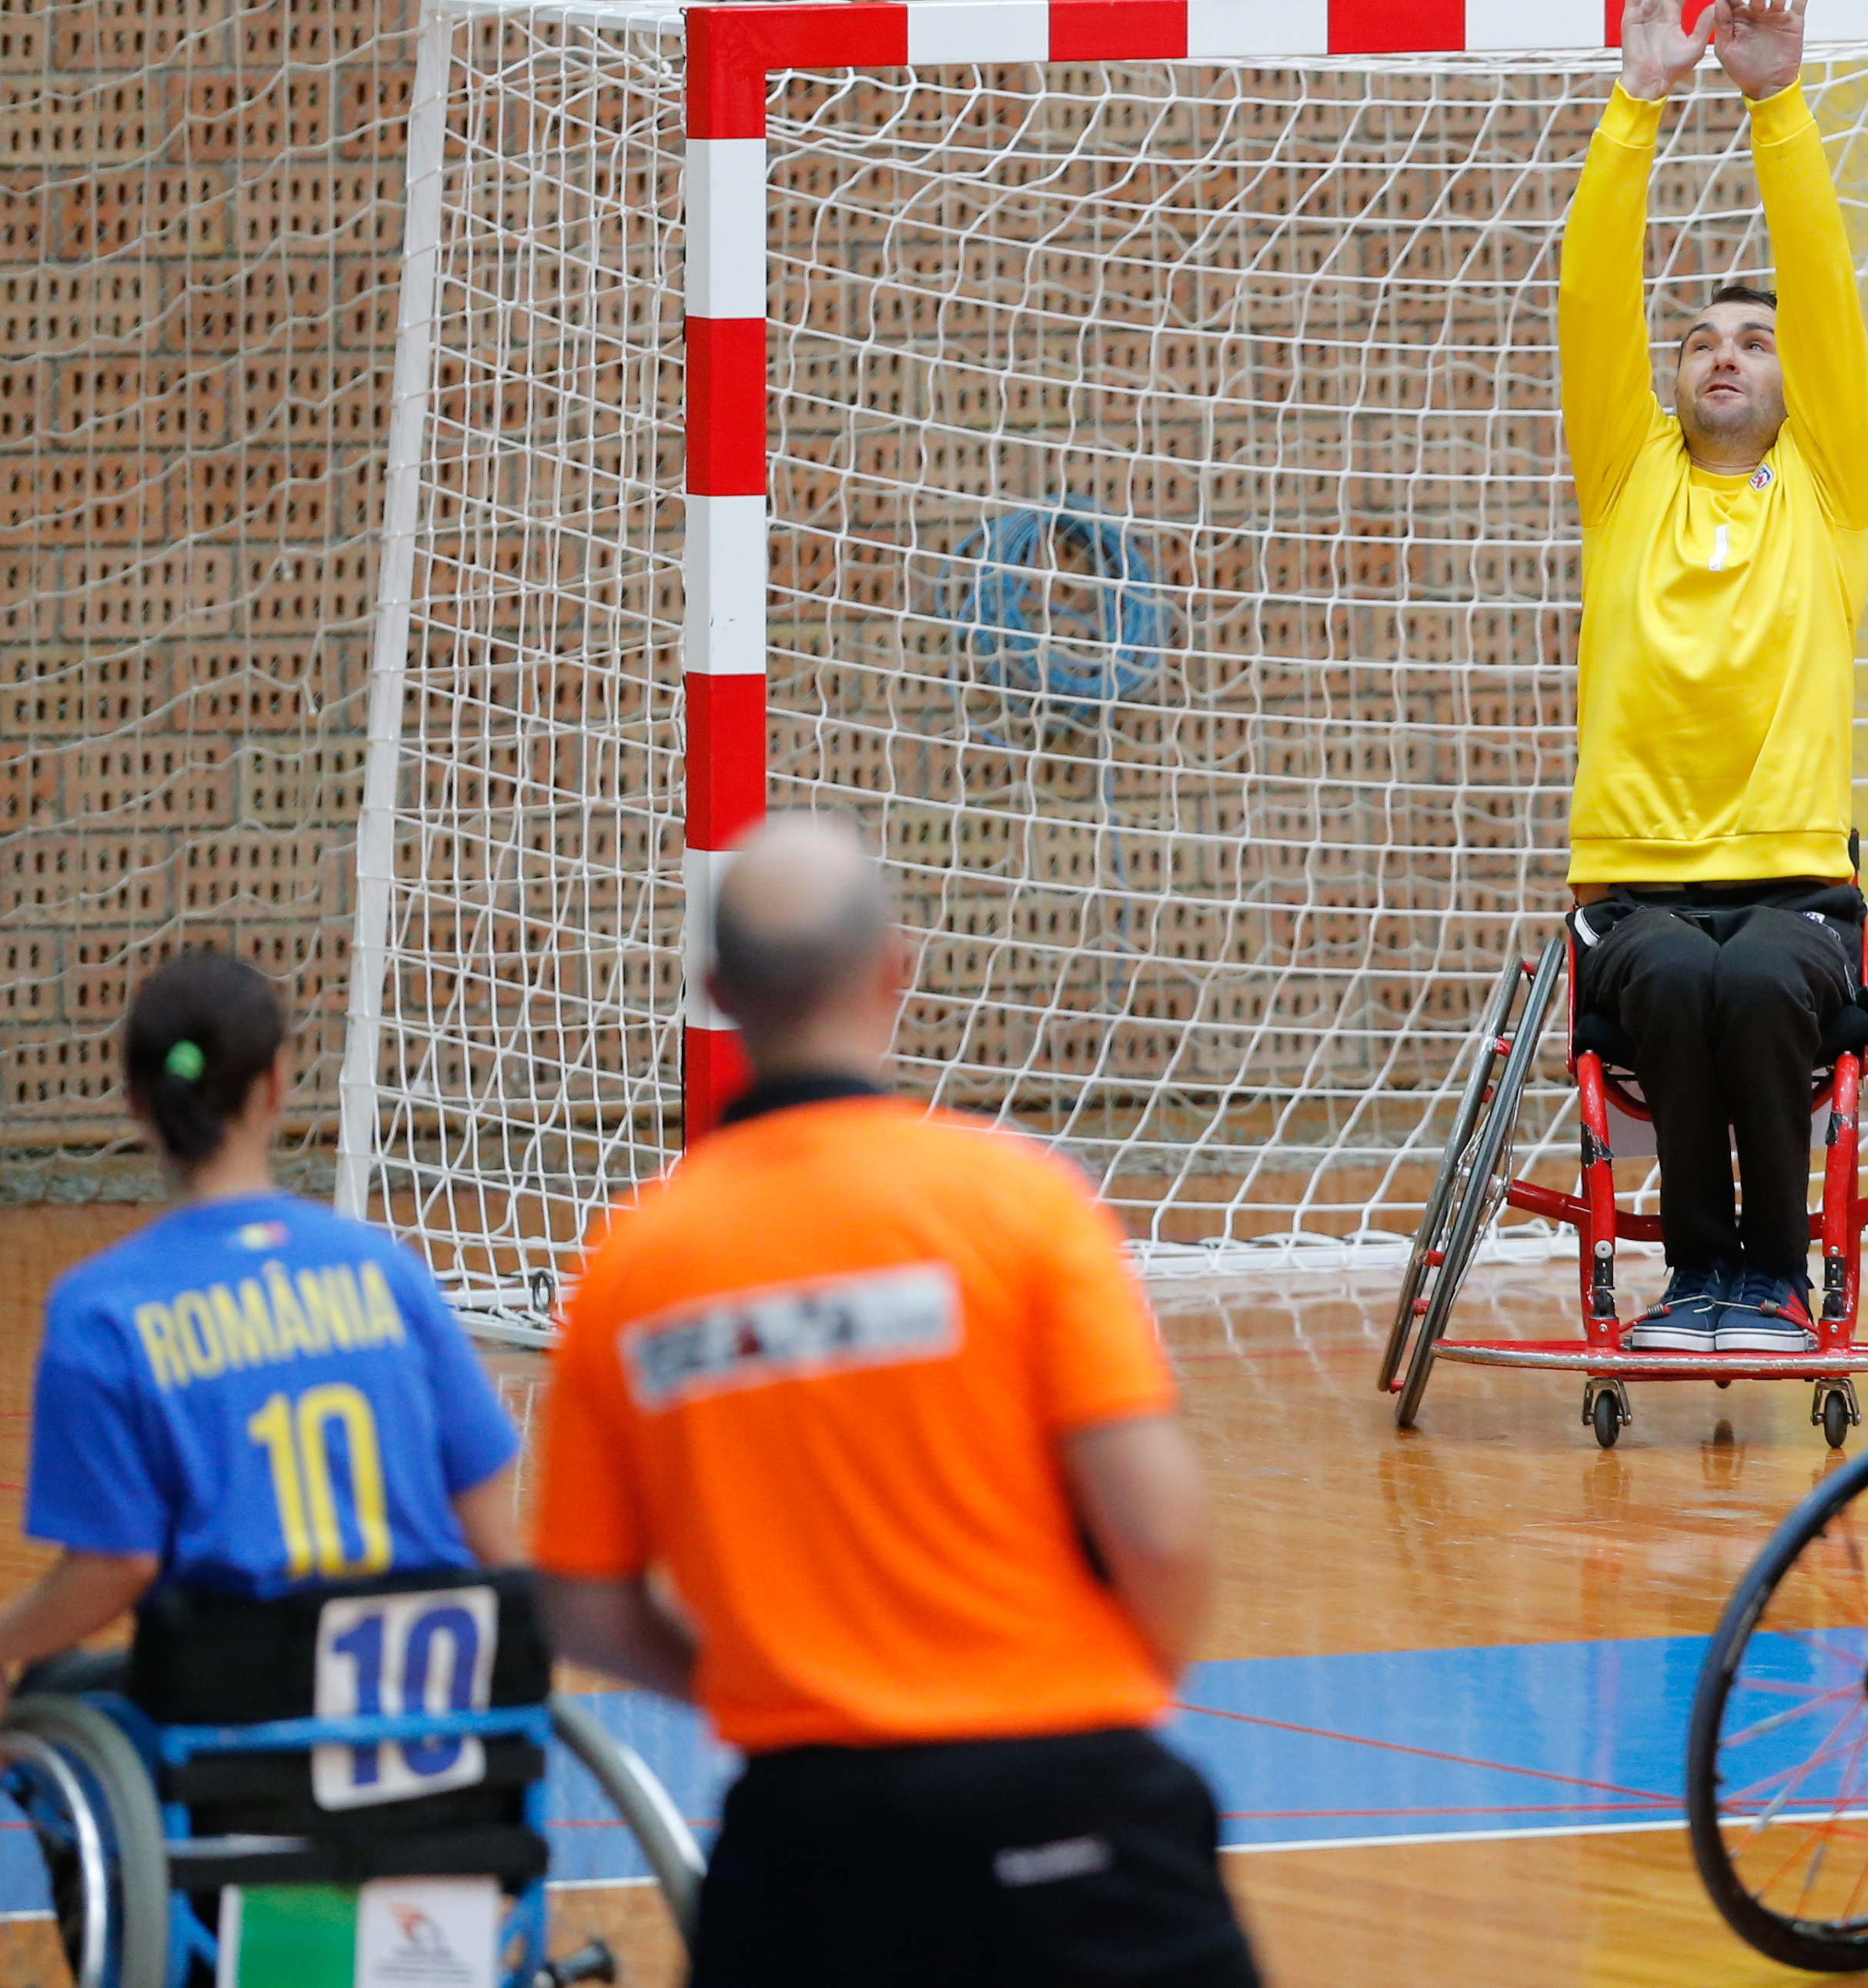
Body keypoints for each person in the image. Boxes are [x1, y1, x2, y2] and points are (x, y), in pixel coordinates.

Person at [533, 817, 1250, 1988]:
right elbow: (1161, 1532)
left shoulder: (632, 1266)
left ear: (717, 991)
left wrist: (757, 1682)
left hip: (808, 1848)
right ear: (895, 970)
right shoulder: (1022, 1205)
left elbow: (586, 1607)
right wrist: (1102, 1712)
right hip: (1067, 1797)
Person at [1560, 0, 1868, 1358]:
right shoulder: (1623, 478)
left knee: (1753, 976)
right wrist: (1636, 103)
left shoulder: (1828, 485)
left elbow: (1823, 293)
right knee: (1687, 978)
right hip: (1631, 891)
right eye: (1698, 339)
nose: (1725, 353)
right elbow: (1587, 297)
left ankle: (1765, 1278)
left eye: (1752, 339)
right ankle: (1697, 1280)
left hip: (1799, 892)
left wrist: (1775, 107)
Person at [0, 952, 520, 1684]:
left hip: (239, 1734)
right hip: (417, 1714)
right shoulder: (389, 1273)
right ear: (276, 1083)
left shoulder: (102, 1310)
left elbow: (118, 1563)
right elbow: (494, 1541)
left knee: (55, 1679)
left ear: (137, 1100)